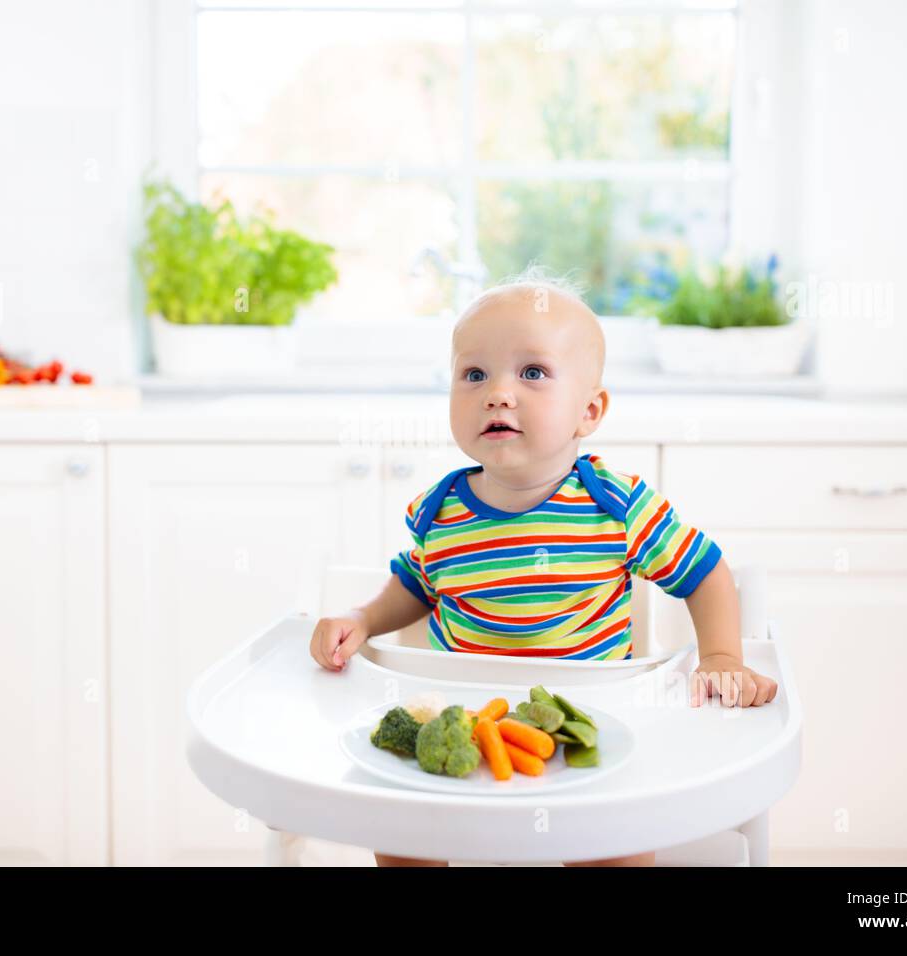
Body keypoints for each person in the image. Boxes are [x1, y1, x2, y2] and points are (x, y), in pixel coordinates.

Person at [309, 266, 778, 866]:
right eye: (473, 374)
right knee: (400, 836)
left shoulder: (614, 503)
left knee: (618, 845)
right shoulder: (441, 511)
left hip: (593, 730)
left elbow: (706, 573)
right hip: (473, 728)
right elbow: (417, 584)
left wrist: (719, 657)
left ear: (590, 411)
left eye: (533, 373)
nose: (498, 392)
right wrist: (363, 618)